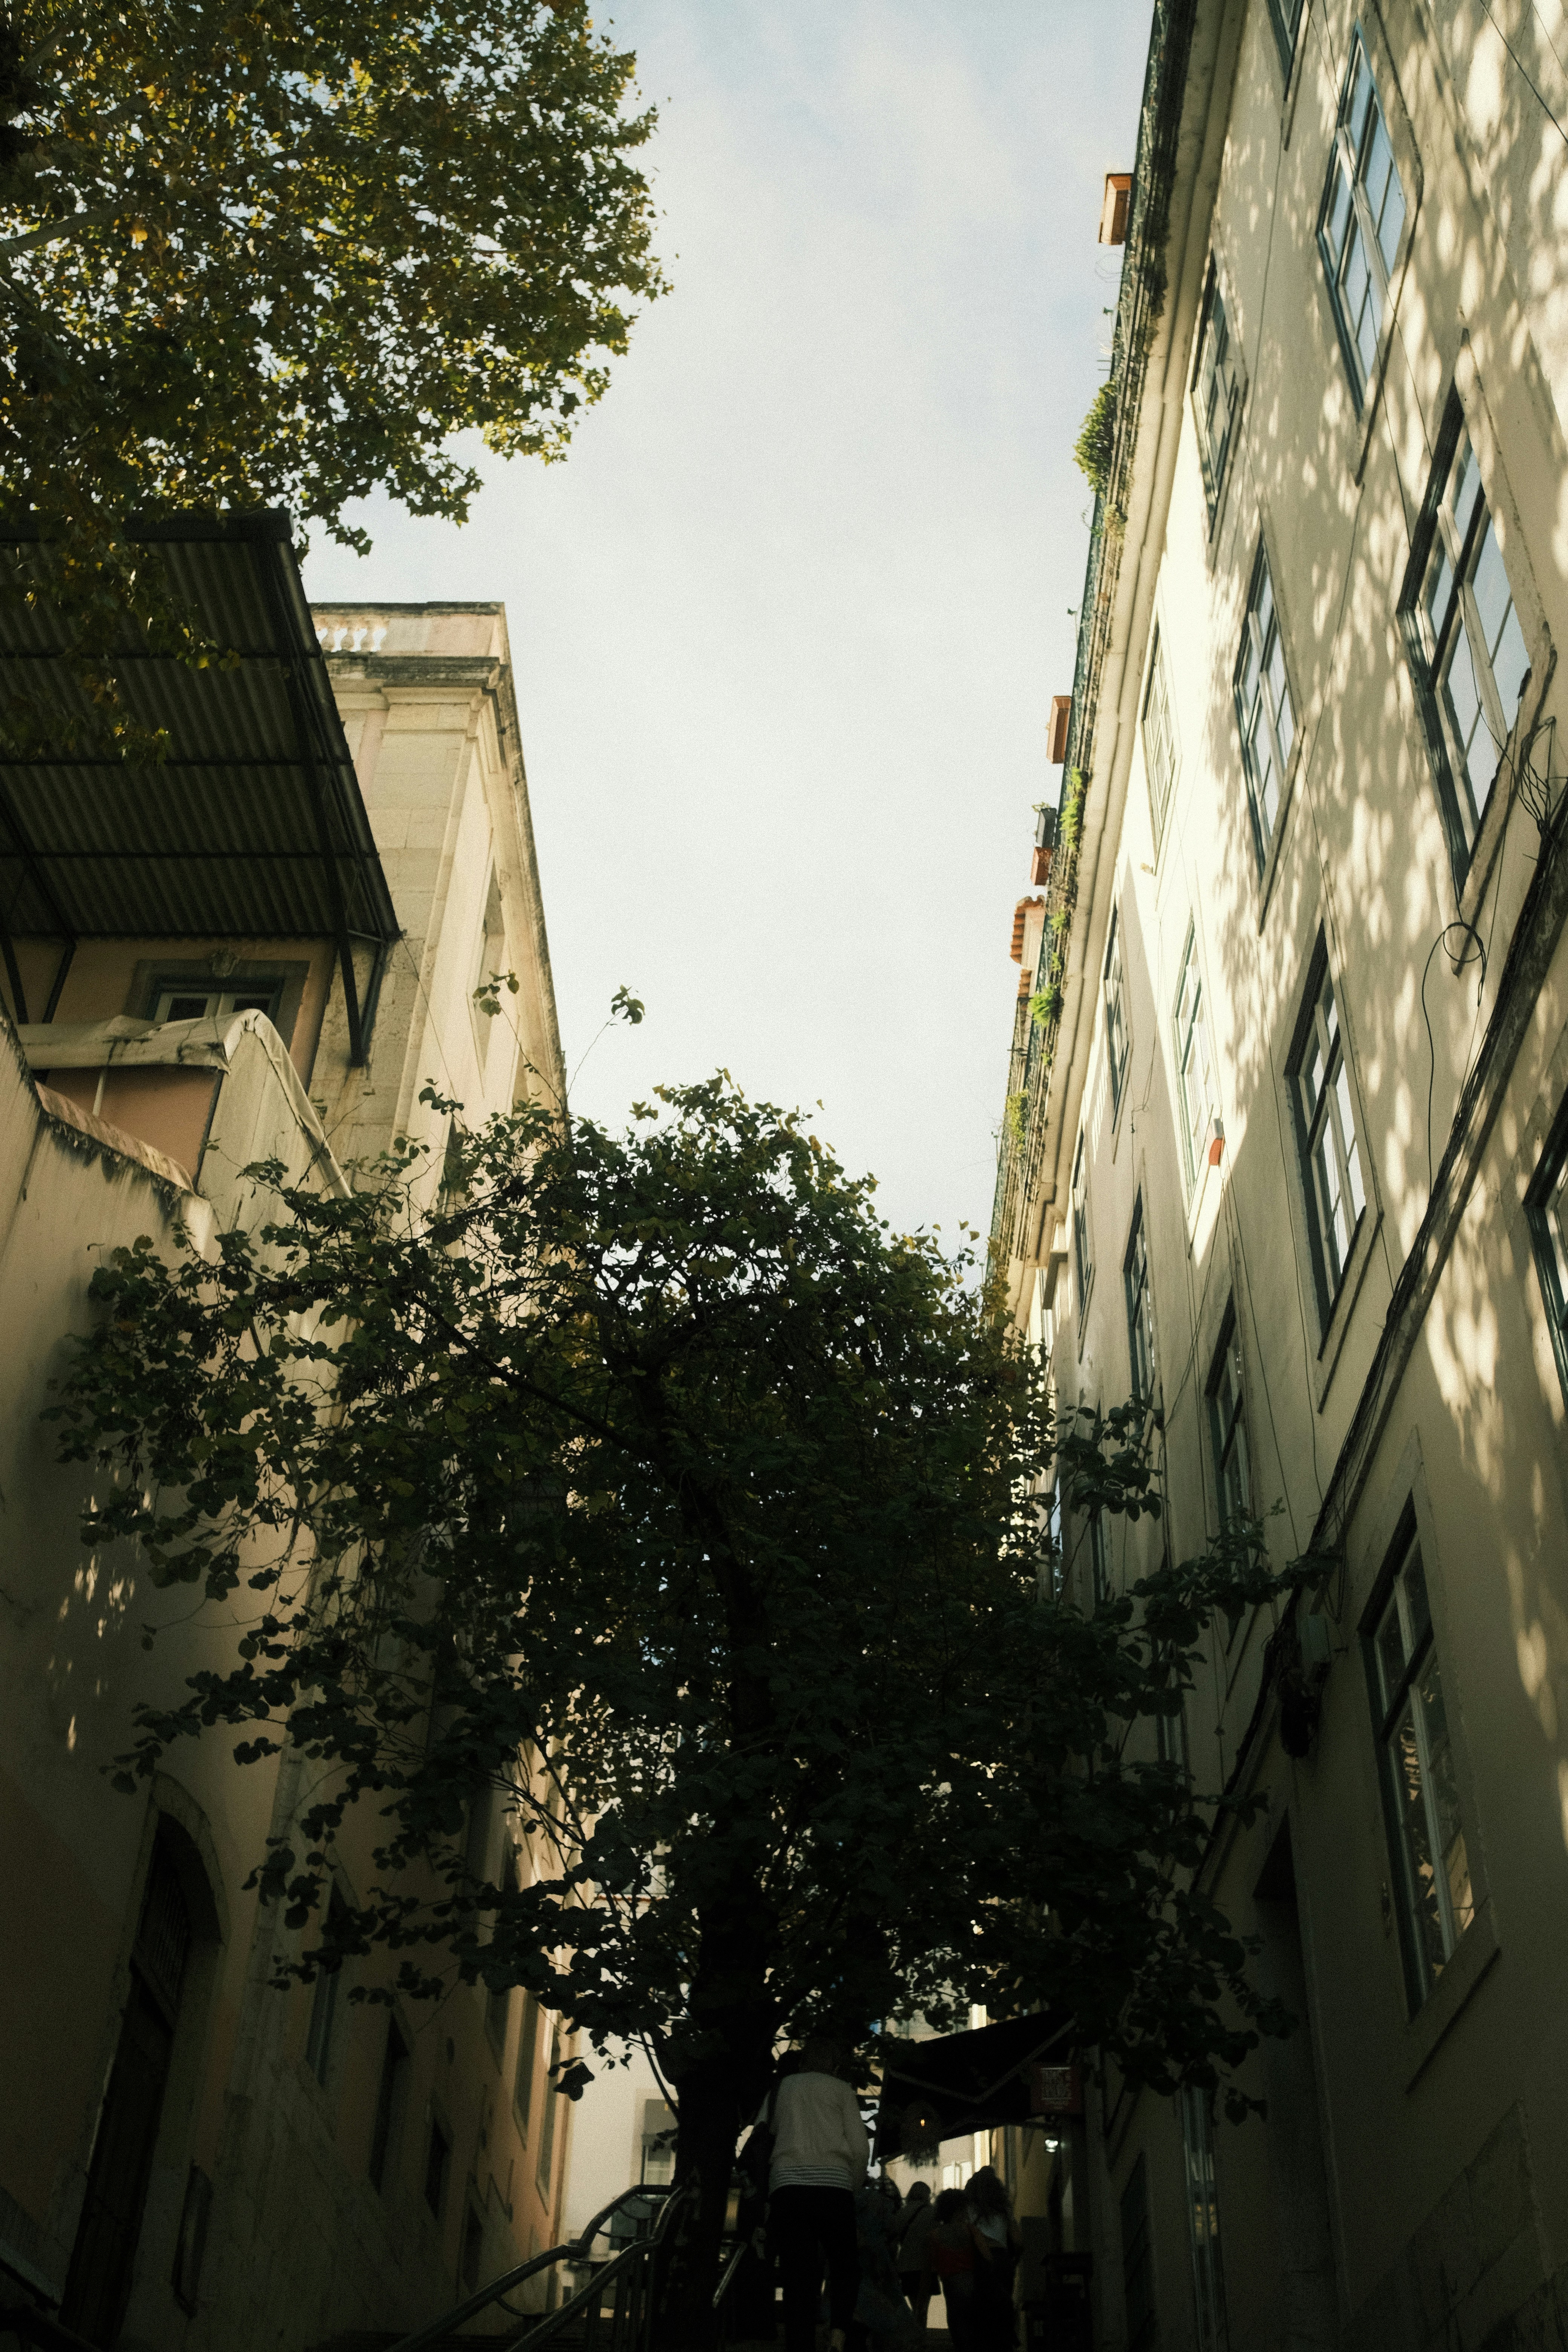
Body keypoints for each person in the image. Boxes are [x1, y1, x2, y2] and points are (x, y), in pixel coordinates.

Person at [765, 2035, 869, 2352]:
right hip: (834, 2186)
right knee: (844, 2265)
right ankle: (838, 2332)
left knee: (799, 2275)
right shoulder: (841, 2090)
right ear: (835, 2064)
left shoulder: (784, 2088)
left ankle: (800, 2344)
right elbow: (861, 2148)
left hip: (788, 2186)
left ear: (804, 2060)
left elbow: (772, 2132)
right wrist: (853, 2184)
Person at [923, 2186, 990, 2352]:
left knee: (960, 2340)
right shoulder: (971, 2231)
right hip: (975, 2290)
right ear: (960, 2208)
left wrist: (919, 2308)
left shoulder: (933, 2237)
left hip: (952, 2294)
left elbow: (926, 2276)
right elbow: (989, 2258)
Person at [966, 2168, 1022, 2350]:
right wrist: (1013, 2260)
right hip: (1003, 2260)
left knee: (983, 2311)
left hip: (979, 2261)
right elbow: (1017, 2240)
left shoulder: (970, 2208)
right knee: (1003, 2303)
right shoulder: (1005, 2209)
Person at [894, 2181, 936, 2326]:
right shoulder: (933, 2213)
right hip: (927, 2265)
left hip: (907, 2265)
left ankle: (916, 2336)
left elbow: (896, 2236)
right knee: (923, 2307)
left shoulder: (902, 2213)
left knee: (914, 2306)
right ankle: (921, 2335)